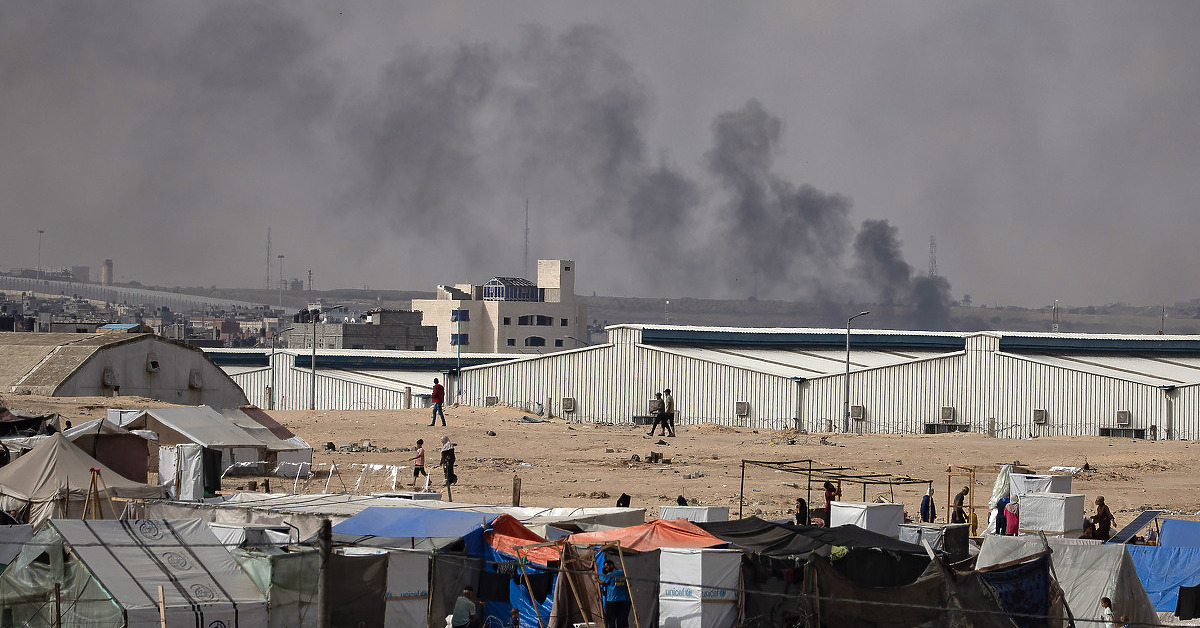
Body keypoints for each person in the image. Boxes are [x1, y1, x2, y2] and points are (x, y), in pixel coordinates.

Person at [601, 559, 631, 628]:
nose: (606, 569)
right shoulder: (623, 573)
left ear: (611, 565)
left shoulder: (610, 574)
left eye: (606, 567)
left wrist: (597, 578)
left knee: (611, 620)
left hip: (612, 601)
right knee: (620, 620)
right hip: (622, 600)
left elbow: (603, 582)